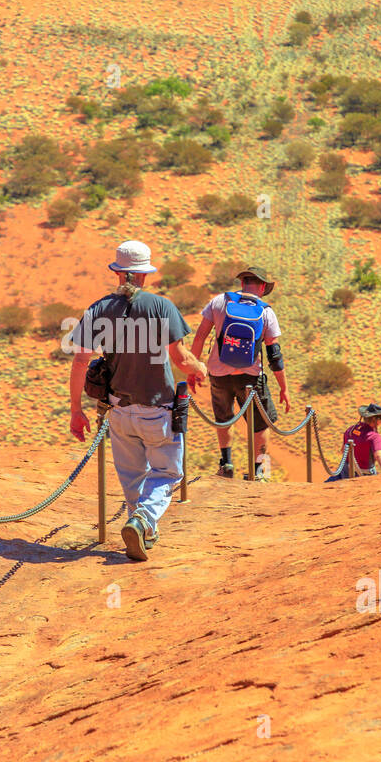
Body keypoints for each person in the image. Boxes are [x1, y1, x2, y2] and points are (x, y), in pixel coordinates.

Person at [69, 240, 208, 562]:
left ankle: (143, 529)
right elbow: (180, 358)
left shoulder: (99, 309)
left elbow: (80, 362)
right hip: (157, 407)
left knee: (132, 475)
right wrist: (199, 368)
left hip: (118, 409)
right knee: (168, 473)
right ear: (145, 274)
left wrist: (76, 411)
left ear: (118, 272)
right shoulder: (161, 307)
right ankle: (144, 520)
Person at [190, 266, 290, 479]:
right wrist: (284, 387)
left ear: (243, 282)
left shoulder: (219, 302)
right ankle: (259, 471)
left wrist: (193, 369)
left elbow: (199, 337)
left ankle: (226, 464)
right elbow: (274, 354)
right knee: (261, 424)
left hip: (218, 373)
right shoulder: (266, 311)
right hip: (251, 377)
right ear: (262, 286)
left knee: (224, 418)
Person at [325, 402, 381, 481]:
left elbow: (343, 450)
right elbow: (379, 456)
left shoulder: (350, 430)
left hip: (346, 471)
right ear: (375, 419)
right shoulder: (374, 436)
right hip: (364, 474)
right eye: (380, 419)